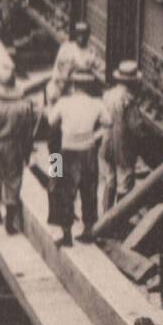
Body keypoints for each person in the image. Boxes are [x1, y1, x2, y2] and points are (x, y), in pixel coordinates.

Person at [0, 69, 40, 234]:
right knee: (13, 180)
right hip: (14, 146)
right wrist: (26, 152)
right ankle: (10, 221)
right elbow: (28, 132)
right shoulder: (24, 107)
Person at [46, 69, 103, 245]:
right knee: (56, 184)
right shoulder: (56, 94)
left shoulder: (64, 101)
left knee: (61, 187)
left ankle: (64, 225)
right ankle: (59, 218)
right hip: (57, 150)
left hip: (63, 149)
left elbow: (51, 122)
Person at [98, 60, 143, 216]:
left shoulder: (108, 95)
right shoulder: (128, 100)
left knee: (110, 179)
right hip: (124, 146)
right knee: (125, 183)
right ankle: (119, 222)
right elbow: (135, 126)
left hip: (107, 142)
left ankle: (106, 215)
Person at [47, 21, 96, 103]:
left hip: (81, 88)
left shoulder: (91, 50)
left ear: (88, 35)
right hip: (63, 85)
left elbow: (93, 67)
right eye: (79, 34)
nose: (82, 37)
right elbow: (62, 72)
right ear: (75, 34)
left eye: (85, 34)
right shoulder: (67, 48)